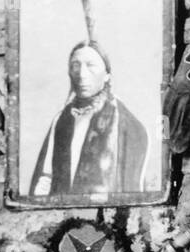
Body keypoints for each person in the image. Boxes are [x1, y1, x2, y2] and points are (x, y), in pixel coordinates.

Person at [29, 41, 148, 200]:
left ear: (107, 75)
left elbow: (134, 186)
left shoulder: (125, 122)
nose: (82, 74)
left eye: (91, 65)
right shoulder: (62, 119)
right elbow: (45, 177)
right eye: (75, 66)